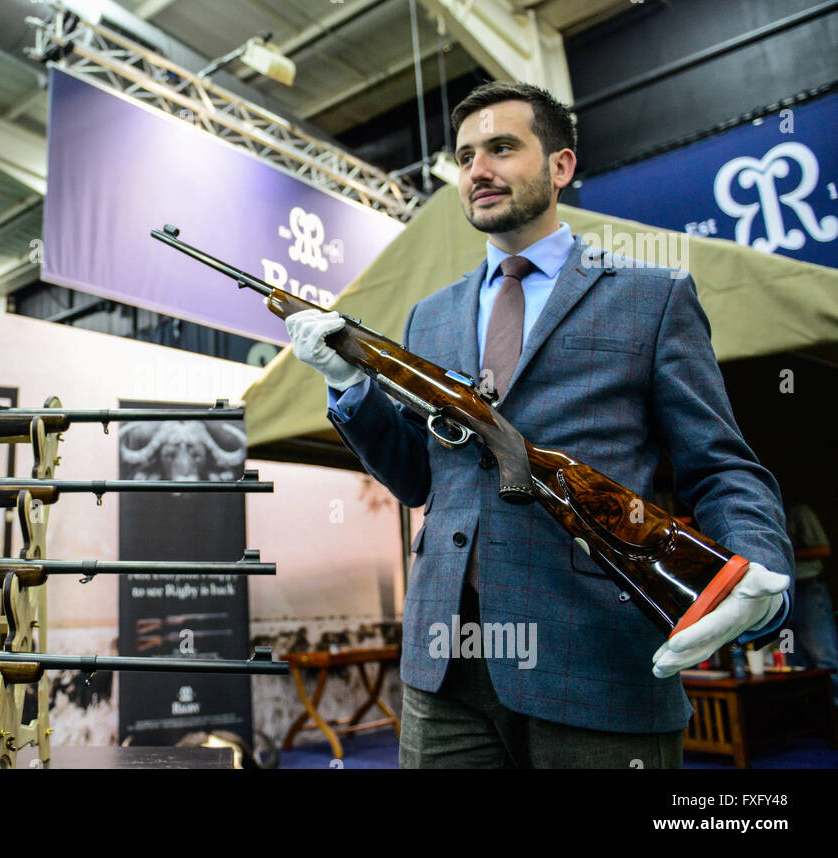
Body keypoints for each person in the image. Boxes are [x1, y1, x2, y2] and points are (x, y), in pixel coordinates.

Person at [286, 81, 793, 768]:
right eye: (465, 157)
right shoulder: (429, 316)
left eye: (501, 148)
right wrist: (351, 388)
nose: (478, 171)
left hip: (596, 658)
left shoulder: (651, 295)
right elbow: (414, 478)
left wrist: (759, 564)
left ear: (561, 166)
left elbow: (720, 463)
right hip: (445, 666)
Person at [784, 501, 836, 707]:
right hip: (783, 596)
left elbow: (823, 549)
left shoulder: (798, 511)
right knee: (791, 661)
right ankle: (812, 721)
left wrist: (782, 553)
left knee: (824, 657)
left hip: (808, 590)